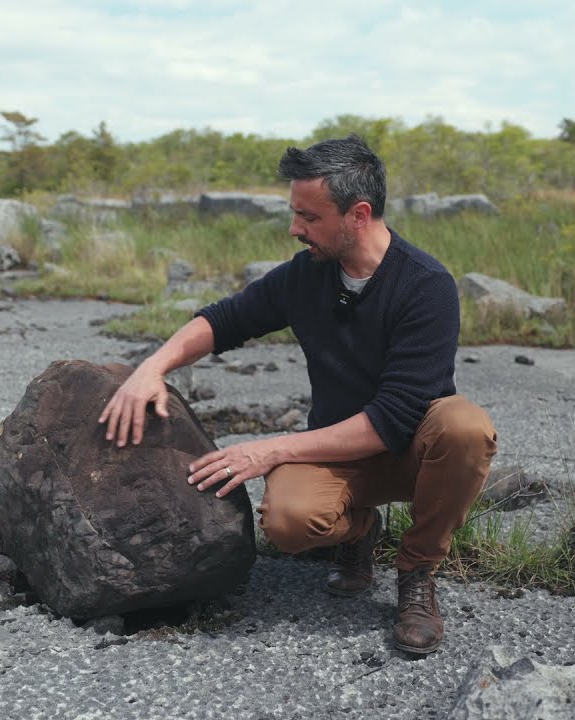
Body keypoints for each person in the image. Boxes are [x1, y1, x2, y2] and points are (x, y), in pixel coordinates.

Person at [98, 135, 497, 655]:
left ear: (358, 214)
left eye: (309, 216)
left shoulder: (426, 285)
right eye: (294, 213)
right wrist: (151, 367)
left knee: (465, 427)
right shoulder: (305, 275)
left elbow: (393, 418)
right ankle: (358, 532)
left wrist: (270, 449)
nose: (295, 228)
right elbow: (224, 320)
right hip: (337, 451)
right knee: (287, 522)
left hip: (414, 455)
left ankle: (417, 570)